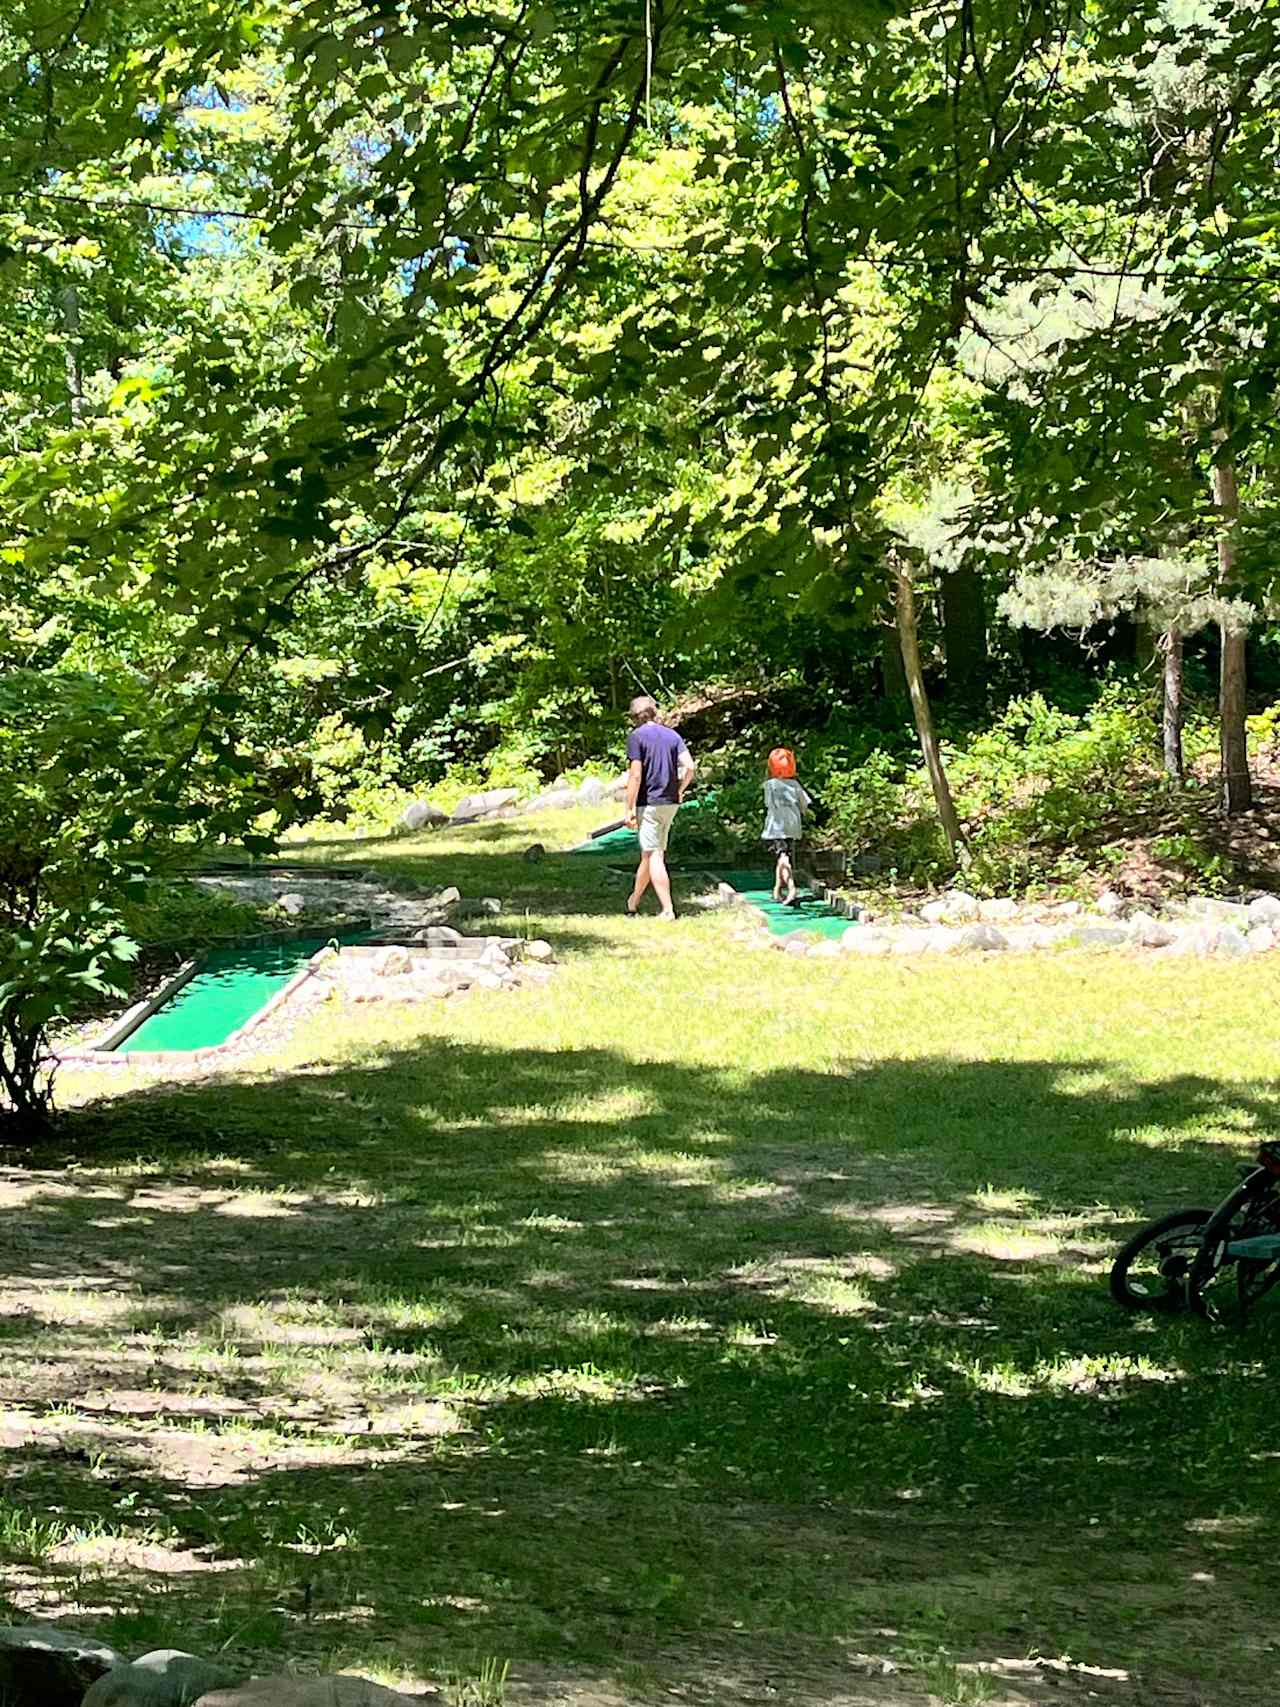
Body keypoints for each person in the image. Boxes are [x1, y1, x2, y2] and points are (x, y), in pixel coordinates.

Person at [623, 696, 695, 921]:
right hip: (670, 802)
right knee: (649, 852)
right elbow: (690, 766)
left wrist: (629, 808)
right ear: (654, 713)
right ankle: (633, 901)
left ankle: (667, 909)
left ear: (634, 718)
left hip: (650, 803)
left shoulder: (636, 737)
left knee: (654, 854)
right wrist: (681, 789)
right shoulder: (672, 735)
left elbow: (635, 774)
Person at [762, 747, 812, 905]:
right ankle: (777, 889)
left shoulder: (770, 785)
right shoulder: (795, 784)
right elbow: (805, 805)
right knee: (783, 856)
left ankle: (791, 889)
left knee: (783, 858)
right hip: (793, 825)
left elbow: (767, 804)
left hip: (776, 826)